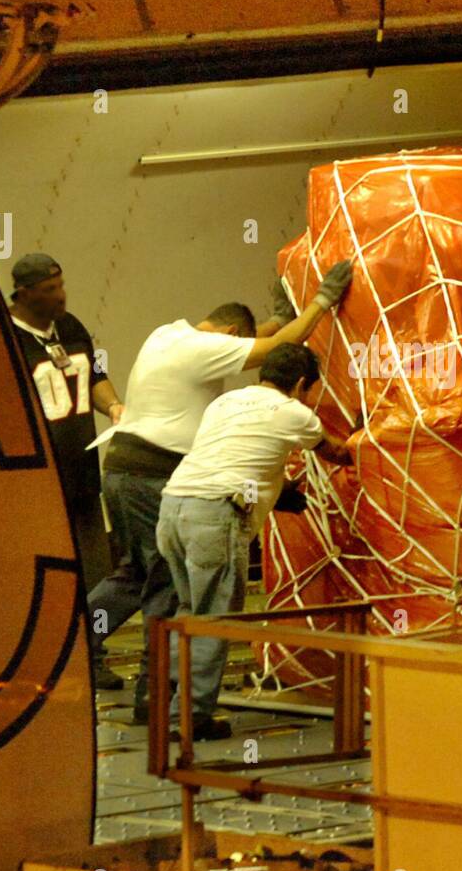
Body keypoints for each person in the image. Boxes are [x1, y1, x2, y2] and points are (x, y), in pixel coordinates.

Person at [89, 263, 353, 723]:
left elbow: (256, 350)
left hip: (152, 487)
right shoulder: (279, 403)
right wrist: (321, 304)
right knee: (193, 610)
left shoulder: (170, 340)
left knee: (158, 590)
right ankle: (180, 715)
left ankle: (154, 702)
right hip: (165, 486)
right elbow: (272, 348)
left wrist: (277, 317)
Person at [157, 343, 352, 740]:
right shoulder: (296, 414)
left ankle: (169, 709)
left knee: (188, 612)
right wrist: (367, 434)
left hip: (173, 507)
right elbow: (340, 455)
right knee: (215, 618)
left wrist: (276, 491)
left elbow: (235, 455)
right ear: (300, 384)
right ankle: (189, 719)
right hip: (215, 516)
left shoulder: (225, 403)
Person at [9, 253, 124, 690]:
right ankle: (39, 664)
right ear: (24, 293)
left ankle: (92, 656)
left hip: (81, 474)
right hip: (37, 484)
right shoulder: (6, 337)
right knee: (43, 575)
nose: (61, 295)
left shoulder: (70, 327)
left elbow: (95, 374)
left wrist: (113, 406)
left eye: (61, 285)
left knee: (95, 574)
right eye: (49, 289)